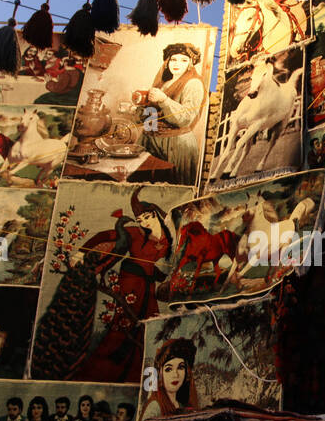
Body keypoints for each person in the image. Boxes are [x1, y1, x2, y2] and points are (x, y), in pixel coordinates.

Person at [33, 188, 173, 384]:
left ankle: (138, 373)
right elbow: (103, 236)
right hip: (131, 283)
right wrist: (82, 252)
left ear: (155, 213)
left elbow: (156, 265)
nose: (144, 222)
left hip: (148, 285)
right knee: (123, 324)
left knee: (149, 326)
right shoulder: (135, 233)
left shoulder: (168, 237)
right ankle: (103, 372)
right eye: (140, 219)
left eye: (146, 217)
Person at [134, 43, 206, 184]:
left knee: (173, 185)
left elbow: (186, 119)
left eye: (184, 60)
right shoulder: (162, 83)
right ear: (167, 62)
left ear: (191, 64)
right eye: (173, 59)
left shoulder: (193, 84)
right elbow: (151, 115)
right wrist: (138, 111)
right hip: (152, 141)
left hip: (176, 145)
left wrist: (164, 100)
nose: (177, 64)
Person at [139, 338, 199, 421]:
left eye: (180, 367)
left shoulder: (182, 405)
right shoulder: (155, 406)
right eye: (168, 369)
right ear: (160, 374)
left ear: (187, 372)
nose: (176, 375)